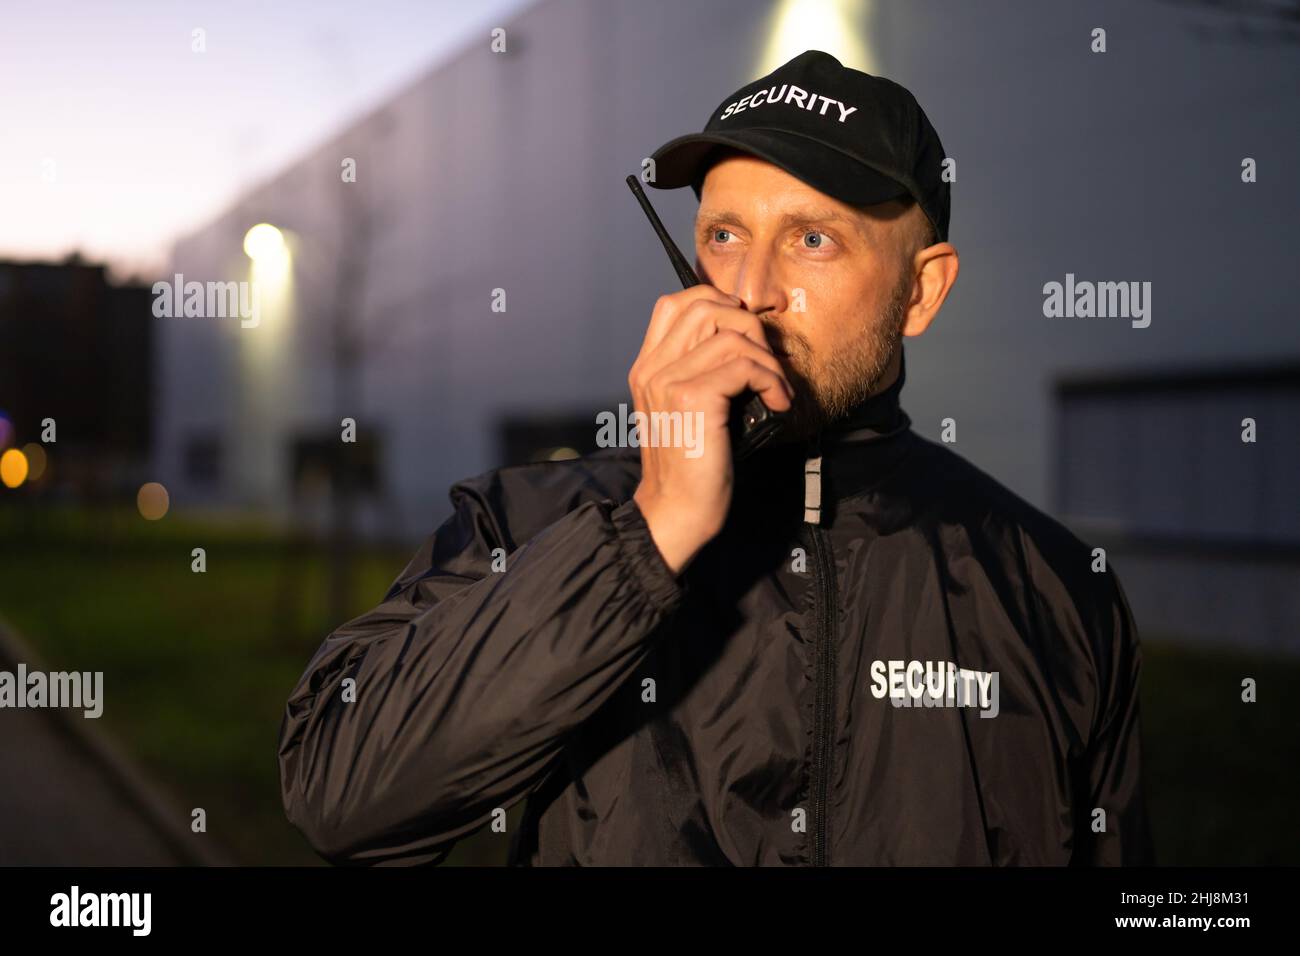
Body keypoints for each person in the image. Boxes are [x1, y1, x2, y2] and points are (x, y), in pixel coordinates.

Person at [277, 50, 1155, 866]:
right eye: (725, 236)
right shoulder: (536, 522)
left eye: (814, 240)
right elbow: (337, 794)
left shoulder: (1054, 589)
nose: (749, 290)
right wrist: (648, 532)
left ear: (920, 290)